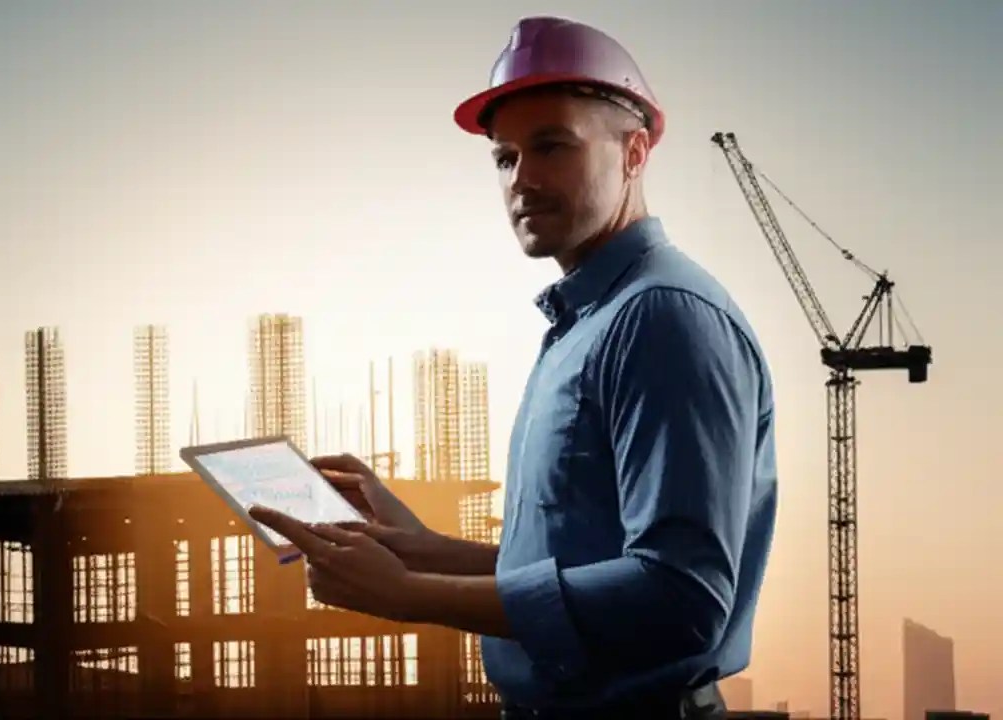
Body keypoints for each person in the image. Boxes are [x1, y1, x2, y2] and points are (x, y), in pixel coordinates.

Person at [248, 15, 777, 720]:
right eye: (504, 158)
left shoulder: (662, 319)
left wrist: (413, 595)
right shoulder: (586, 322)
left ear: (636, 152)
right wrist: (421, 549)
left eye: (552, 146)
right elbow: (581, 563)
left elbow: (681, 598)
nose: (521, 179)